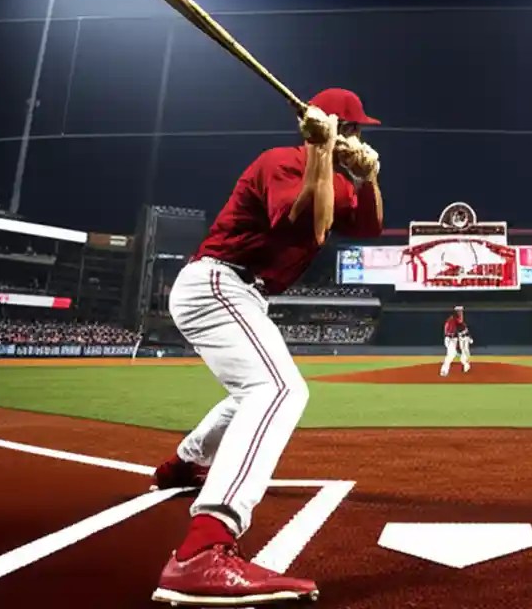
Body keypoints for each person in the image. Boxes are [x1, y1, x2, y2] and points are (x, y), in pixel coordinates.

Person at [147, 88, 383, 606]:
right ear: (338, 129)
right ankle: (202, 549)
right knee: (279, 390)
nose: (361, 137)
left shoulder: (339, 178)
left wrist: (368, 178)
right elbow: (307, 221)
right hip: (218, 281)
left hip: (246, 292)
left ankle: (184, 464)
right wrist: (321, 153)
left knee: (250, 391)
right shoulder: (282, 161)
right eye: (357, 129)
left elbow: (368, 226)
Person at [440, 305, 471, 376]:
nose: (459, 313)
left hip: (453, 339)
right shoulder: (452, 319)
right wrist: (461, 312)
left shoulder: (452, 320)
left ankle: (465, 364)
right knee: (451, 354)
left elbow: (460, 323)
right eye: (458, 312)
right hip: (450, 339)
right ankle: (444, 370)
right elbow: (460, 321)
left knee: (461, 352)